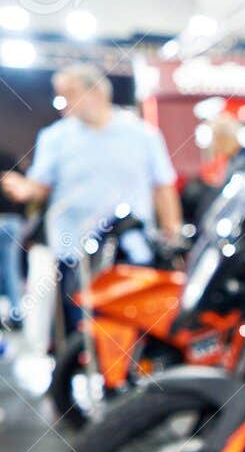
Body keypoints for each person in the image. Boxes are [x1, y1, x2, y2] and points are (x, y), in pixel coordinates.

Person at [1, 64, 180, 265]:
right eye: (60, 95)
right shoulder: (54, 137)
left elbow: (163, 186)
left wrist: (172, 235)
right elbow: (40, 186)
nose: (63, 101)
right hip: (71, 250)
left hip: (132, 249)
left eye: (70, 93)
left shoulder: (143, 135)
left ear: (97, 92)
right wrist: (26, 189)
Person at [0, 147, 26, 331]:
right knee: (11, 269)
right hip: (14, 221)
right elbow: (24, 193)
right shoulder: (11, 159)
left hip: (3, 218)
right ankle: (17, 314)